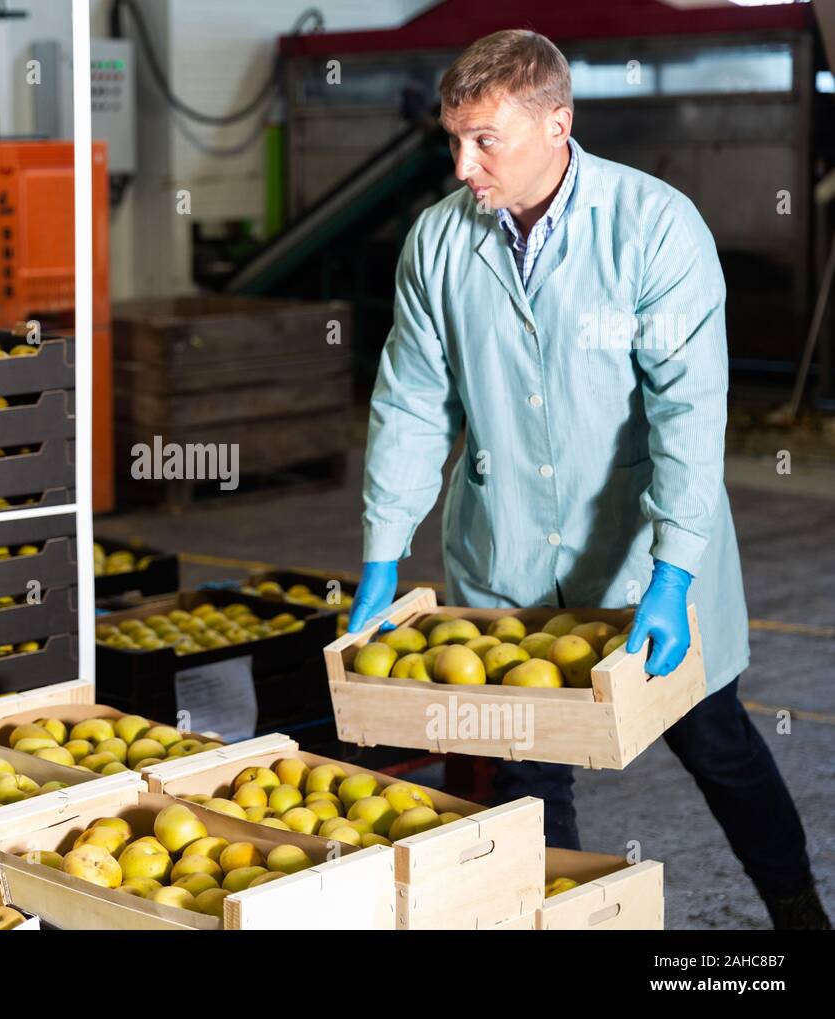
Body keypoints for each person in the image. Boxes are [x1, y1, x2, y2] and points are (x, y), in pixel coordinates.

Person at [346, 29, 828, 930]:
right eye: (453, 140)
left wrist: (676, 570)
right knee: (528, 771)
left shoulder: (654, 226)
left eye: (485, 139)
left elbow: (690, 414)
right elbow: (412, 404)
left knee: (715, 741)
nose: (462, 166)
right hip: (508, 560)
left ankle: (799, 914)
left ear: (557, 123)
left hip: (645, 559)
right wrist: (382, 552)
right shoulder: (438, 242)